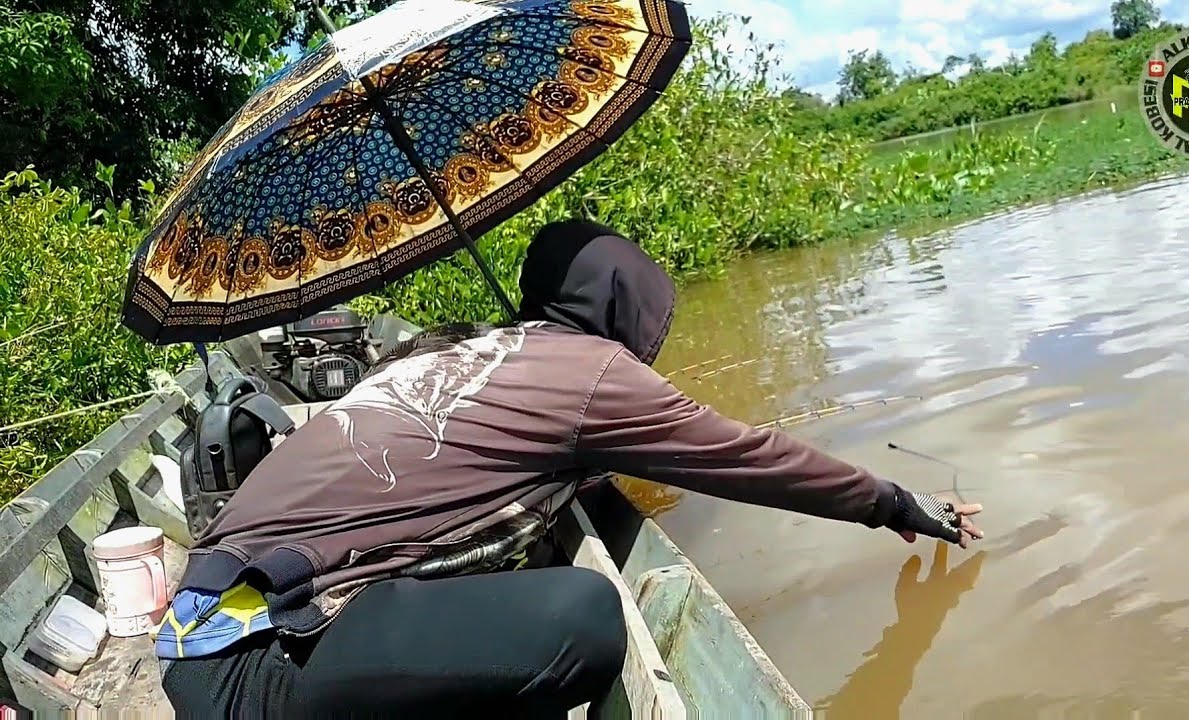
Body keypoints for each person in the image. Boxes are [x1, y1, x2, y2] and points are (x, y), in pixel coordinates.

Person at [156, 219, 983, 718]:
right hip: (254, 678)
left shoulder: (457, 347)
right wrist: (896, 503)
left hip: (201, 631)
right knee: (587, 614)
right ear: (631, 311)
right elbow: (757, 460)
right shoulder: (596, 375)